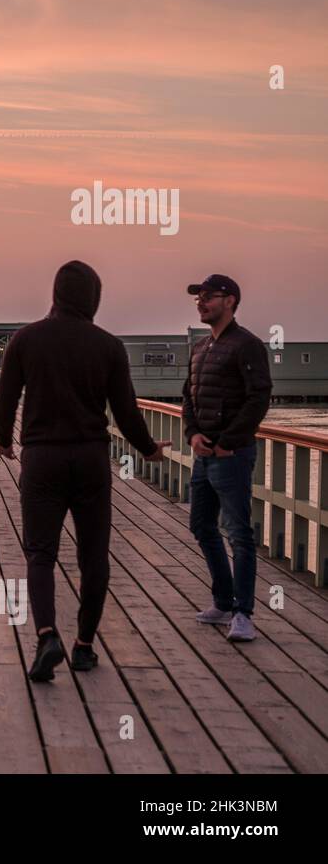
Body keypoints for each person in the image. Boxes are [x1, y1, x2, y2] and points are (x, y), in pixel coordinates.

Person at [0, 261, 169, 682]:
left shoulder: (26, 339)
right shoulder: (108, 347)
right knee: (93, 555)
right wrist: (148, 449)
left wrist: (3, 439)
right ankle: (85, 646)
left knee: (40, 553)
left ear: (55, 294)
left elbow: (5, 398)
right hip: (90, 459)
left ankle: (47, 634)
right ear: (94, 298)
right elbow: (125, 411)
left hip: (42, 459)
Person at [183, 274, 271, 642]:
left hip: (231, 455)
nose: (201, 302)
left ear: (230, 301)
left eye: (208, 297)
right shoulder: (201, 347)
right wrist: (193, 435)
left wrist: (229, 442)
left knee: (238, 533)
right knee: (201, 525)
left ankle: (243, 615)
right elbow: (188, 395)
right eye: (198, 298)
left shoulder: (246, 345)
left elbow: (259, 397)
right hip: (205, 454)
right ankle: (222, 600)